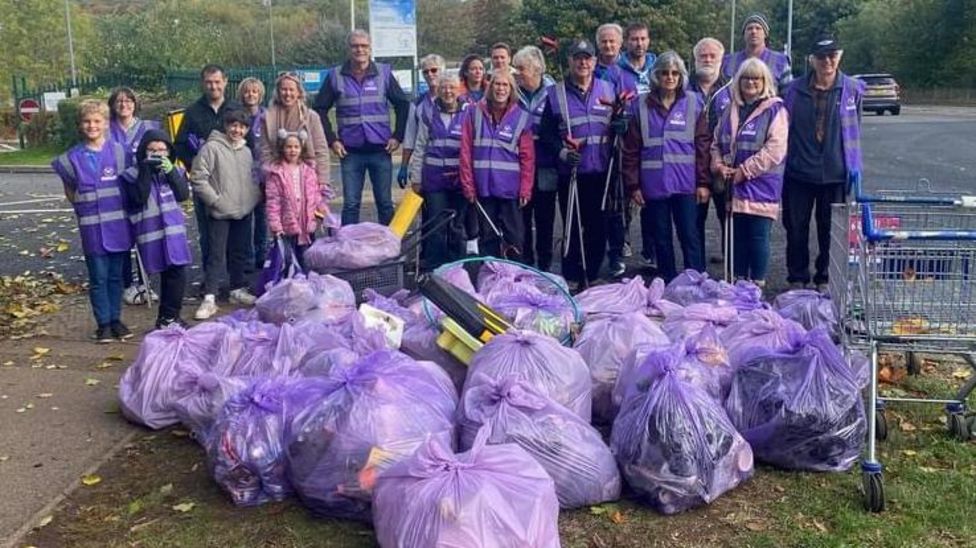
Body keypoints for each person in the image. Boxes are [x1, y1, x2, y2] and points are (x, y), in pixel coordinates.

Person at [782, 35, 864, 292]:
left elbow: (854, 130)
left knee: (831, 230)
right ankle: (797, 276)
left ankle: (825, 276)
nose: (827, 61)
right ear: (812, 60)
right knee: (796, 228)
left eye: (832, 55)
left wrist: (853, 168)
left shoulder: (852, 88)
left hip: (836, 173)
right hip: (798, 172)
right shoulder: (793, 89)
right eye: (821, 56)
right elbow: (785, 127)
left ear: (839, 56)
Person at [539, 38, 622, 286]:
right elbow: (547, 133)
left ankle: (594, 274)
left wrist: (621, 125)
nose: (583, 63)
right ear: (570, 61)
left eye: (587, 58)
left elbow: (619, 124)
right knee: (572, 227)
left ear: (594, 62)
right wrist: (562, 153)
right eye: (578, 58)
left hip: (601, 172)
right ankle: (573, 275)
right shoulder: (556, 93)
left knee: (599, 228)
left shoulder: (608, 89)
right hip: (572, 172)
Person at [621, 51, 708, 282]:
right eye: (664, 73)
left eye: (675, 73)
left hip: (686, 185)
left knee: (690, 235)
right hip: (653, 186)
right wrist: (633, 186)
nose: (670, 77)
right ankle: (668, 282)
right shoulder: (640, 106)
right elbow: (630, 150)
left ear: (681, 77)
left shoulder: (693, 103)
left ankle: (696, 282)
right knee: (661, 237)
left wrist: (703, 182)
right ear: (655, 76)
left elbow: (702, 146)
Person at [51, 100, 134, 343]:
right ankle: (104, 324)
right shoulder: (70, 159)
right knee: (98, 277)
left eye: (97, 121)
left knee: (117, 277)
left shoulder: (120, 152)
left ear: (106, 123)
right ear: (80, 125)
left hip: (118, 227)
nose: (92, 125)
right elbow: (70, 191)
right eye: (87, 121)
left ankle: (116, 319)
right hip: (92, 229)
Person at [314, 29, 410, 226]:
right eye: (355, 46)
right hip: (350, 151)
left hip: (381, 149)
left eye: (364, 46)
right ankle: (349, 248)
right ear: (349, 49)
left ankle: (390, 247)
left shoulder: (383, 73)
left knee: (384, 203)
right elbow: (319, 109)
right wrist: (332, 140)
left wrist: (397, 136)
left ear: (370, 48)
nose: (360, 49)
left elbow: (402, 104)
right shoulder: (335, 76)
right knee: (350, 204)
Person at [710, 58, 788, 287]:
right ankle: (737, 282)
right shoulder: (729, 110)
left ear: (765, 81)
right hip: (732, 186)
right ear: (738, 81)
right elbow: (716, 142)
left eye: (756, 78)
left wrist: (745, 171)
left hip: (761, 186)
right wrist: (717, 165)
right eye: (746, 78)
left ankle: (757, 284)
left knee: (757, 236)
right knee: (737, 238)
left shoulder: (776, 109)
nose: (751, 82)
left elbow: (775, 149)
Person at [190, 109, 262, 320]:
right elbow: (198, 178)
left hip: (243, 210)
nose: (236, 130)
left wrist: (253, 198)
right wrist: (216, 201)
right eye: (233, 125)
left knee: (239, 252)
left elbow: (253, 178)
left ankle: (236, 288)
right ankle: (210, 297)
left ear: (246, 130)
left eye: (241, 127)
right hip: (220, 211)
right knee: (216, 254)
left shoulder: (247, 152)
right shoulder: (211, 148)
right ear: (226, 126)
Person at [174, 64, 243, 273]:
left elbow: (246, 142)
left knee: (235, 231)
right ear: (203, 84)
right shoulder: (193, 112)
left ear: (225, 82)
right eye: (209, 82)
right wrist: (195, 165)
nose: (213, 86)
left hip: (232, 181)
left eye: (217, 82)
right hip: (205, 183)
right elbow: (179, 144)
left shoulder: (235, 109)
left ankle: (236, 281)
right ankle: (210, 278)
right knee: (207, 232)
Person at [459, 70, 535, 258]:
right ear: (490, 86)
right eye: (497, 84)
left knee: (515, 238)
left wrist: (526, 188)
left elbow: (528, 157)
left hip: (511, 190)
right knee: (487, 238)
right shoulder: (473, 113)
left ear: (511, 89)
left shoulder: (522, 117)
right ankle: (491, 277)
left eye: (505, 85)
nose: (500, 89)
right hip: (483, 188)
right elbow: (466, 151)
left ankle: (515, 278)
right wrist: (468, 185)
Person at [122, 129, 193, 329]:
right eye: (152, 150)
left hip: (174, 233)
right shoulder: (131, 175)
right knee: (162, 273)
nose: (157, 154)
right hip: (150, 234)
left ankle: (170, 317)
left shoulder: (175, 171)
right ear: (143, 152)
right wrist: (145, 171)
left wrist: (170, 171)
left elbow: (182, 195)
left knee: (178, 274)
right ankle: (165, 319)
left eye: (162, 150)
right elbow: (138, 198)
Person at [107, 86, 161, 306]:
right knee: (122, 240)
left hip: (141, 188)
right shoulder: (106, 130)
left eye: (128, 100)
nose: (124, 104)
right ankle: (127, 285)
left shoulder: (147, 128)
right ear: (112, 105)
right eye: (119, 101)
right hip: (114, 189)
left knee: (144, 237)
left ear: (135, 103)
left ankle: (145, 283)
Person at [408, 73, 467, 269]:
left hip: (460, 180)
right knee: (436, 224)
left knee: (457, 225)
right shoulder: (428, 114)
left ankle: (457, 265)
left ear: (458, 90)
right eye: (443, 88)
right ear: (438, 91)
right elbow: (420, 146)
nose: (448, 92)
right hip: (434, 180)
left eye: (451, 88)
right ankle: (436, 267)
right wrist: (416, 178)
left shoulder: (469, 113)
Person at [259, 73, 332, 221]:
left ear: (299, 92)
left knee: (308, 220)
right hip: (280, 178)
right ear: (278, 92)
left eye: (291, 90)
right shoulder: (267, 117)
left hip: (307, 177)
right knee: (283, 220)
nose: (288, 93)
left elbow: (321, 149)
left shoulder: (311, 117)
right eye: (283, 89)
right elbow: (264, 149)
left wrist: (323, 179)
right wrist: (272, 172)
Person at [514, 45, 557, 272]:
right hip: (520, 167)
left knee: (545, 218)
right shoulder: (512, 92)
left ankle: (546, 264)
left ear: (537, 68)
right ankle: (525, 263)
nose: (517, 73)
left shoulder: (554, 93)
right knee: (522, 218)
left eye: (522, 68)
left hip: (546, 165)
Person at [692, 37, 734, 266]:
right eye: (702, 56)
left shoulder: (734, 88)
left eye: (712, 56)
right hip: (693, 166)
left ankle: (730, 266)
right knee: (694, 222)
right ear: (695, 59)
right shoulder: (682, 88)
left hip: (723, 166)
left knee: (727, 216)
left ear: (721, 59)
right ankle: (696, 271)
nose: (707, 60)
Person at [264, 134, 326, 268]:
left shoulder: (308, 171)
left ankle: (307, 284)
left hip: (306, 224)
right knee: (288, 262)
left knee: (308, 260)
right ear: (282, 148)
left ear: (301, 148)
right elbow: (273, 202)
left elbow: (315, 196)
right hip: (287, 226)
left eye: (296, 147)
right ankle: (290, 285)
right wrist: (275, 226)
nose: (293, 150)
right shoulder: (276, 173)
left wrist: (322, 213)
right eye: (289, 147)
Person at [398, 54, 445, 190]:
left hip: (452, 164)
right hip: (425, 165)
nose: (430, 74)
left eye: (434, 70)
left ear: (442, 70)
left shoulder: (457, 100)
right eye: (426, 71)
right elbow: (410, 137)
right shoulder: (417, 103)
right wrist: (404, 165)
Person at [237, 77, 269, 272]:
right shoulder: (236, 117)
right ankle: (246, 258)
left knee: (263, 217)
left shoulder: (268, 117)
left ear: (260, 94)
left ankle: (262, 255)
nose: (251, 95)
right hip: (242, 175)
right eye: (247, 91)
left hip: (264, 175)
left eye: (254, 91)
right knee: (246, 219)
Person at [722, 13, 792, 89]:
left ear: (765, 34)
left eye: (758, 28)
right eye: (749, 28)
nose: (754, 32)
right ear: (744, 34)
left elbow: (788, 93)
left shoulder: (780, 61)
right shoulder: (728, 61)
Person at [618, 22, 657, 95]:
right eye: (634, 39)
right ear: (626, 42)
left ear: (648, 41)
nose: (639, 44)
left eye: (643, 39)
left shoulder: (658, 68)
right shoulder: (615, 71)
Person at [595, 23, 625, 92]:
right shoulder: (590, 68)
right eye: (604, 42)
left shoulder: (630, 66)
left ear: (620, 43)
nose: (608, 45)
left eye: (612, 41)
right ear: (598, 44)